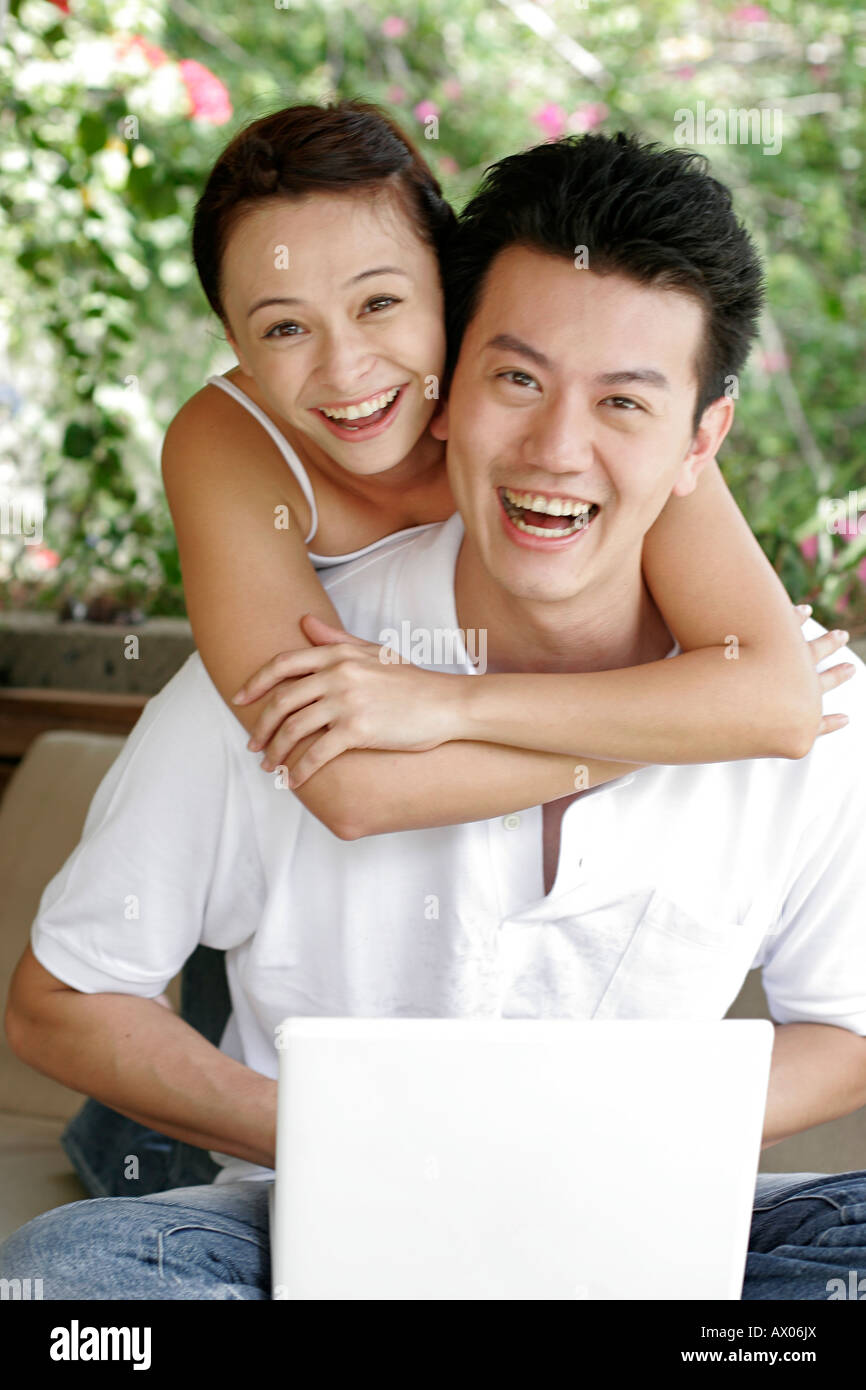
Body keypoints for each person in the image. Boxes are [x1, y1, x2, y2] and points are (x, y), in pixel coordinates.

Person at [2, 130, 864, 1302]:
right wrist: (352, 1136)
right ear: (453, 388)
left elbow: (849, 1028)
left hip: (649, 1228)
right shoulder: (296, 671)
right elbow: (73, 994)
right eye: (516, 378)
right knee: (67, 1288)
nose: (558, 446)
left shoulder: (801, 699)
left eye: (622, 400)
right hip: (308, 1230)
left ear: (697, 442)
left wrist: (596, 1131)